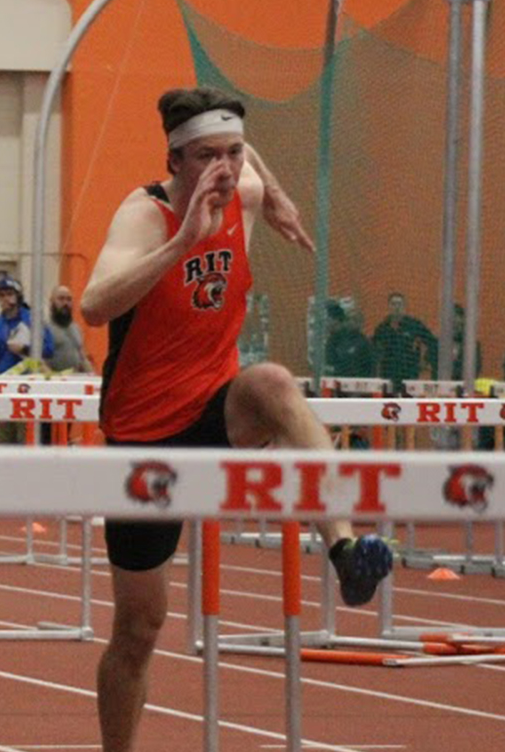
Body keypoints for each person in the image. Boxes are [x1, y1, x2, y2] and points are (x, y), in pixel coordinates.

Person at [81, 87, 393, 752]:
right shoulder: (145, 216)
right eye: (205, 158)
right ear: (173, 161)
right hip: (144, 437)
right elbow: (94, 307)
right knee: (139, 627)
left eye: (233, 156)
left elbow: (239, 153)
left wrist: (272, 189)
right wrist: (182, 242)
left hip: (216, 405)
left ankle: (344, 548)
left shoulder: (241, 187)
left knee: (275, 383)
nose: (223, 171)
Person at [0, 276, 52, 375]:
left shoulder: (33, 320)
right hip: (4, 379)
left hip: (31, 378)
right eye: (1, 295)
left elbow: (49, 349)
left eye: (10, 294)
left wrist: (24, 349)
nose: (5, 298)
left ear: (18, 296)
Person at [371, 292, 435, 392]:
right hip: (388, 373)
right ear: (389, 306)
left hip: (409, 373)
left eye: (399, 304)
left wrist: (425, 360)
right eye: (393, 304)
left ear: (404, 306)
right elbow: (374, 348)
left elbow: (432, 341)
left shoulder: (414, 325)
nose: (396, 307)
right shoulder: (382, 328)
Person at [44, 284, 94, 374]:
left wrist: (93, 378)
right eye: (61, 299)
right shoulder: (44, 329)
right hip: (53, 382)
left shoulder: (76, 328)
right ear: (51, 302)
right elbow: (39, 361)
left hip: (73, 380)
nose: (65, 303)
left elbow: (82, 357)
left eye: (68, 299)